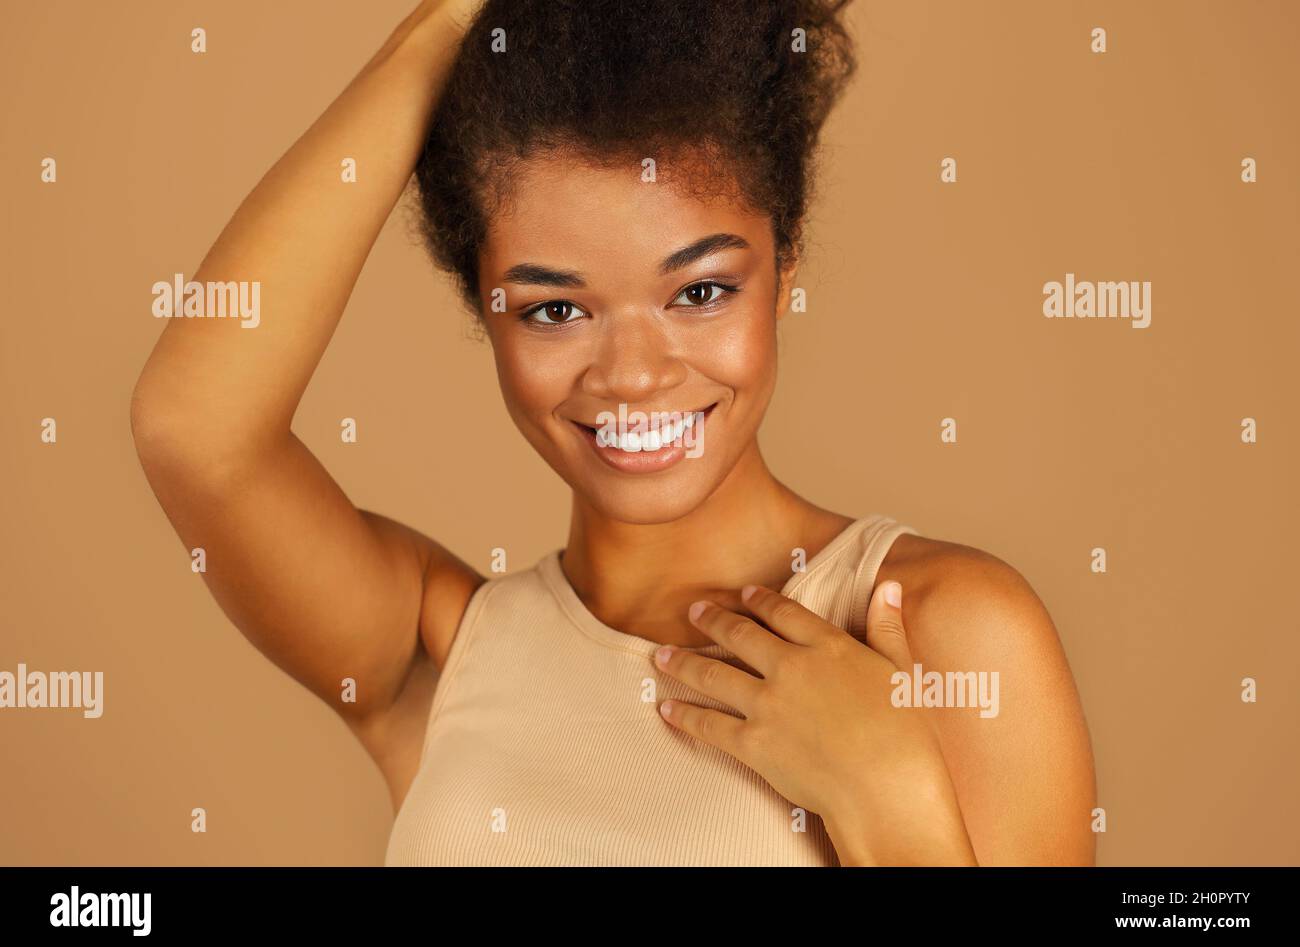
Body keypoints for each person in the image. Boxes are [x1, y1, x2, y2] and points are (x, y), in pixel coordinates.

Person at [130, 0, 1096, 865]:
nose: (633, 374)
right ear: (484, 304)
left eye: (701, 291)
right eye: (555, 311)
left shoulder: (942, 633)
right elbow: (194, 430)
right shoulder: (439, 656)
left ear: (786, 266)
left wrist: (888, 795)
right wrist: (446, 22)